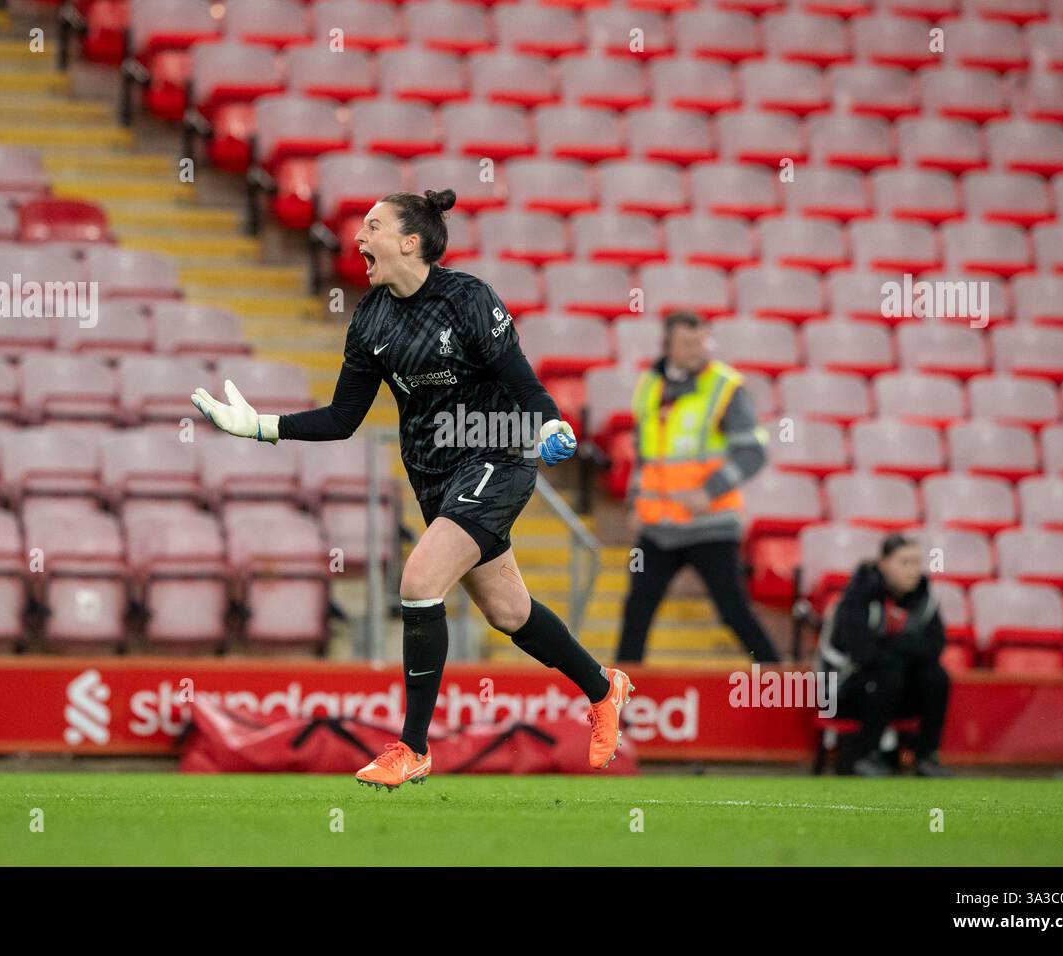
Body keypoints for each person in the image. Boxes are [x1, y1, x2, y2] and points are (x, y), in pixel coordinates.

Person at [191, 188, 632, 791]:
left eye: (372, 226)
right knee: (508, 611)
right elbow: (343, 418)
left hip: (497, 454)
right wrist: (263, 427)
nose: (358, 238)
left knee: (419, 582)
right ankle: (605, 689)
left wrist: (550, 422)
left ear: (410, 241)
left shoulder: (468, 299)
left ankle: (414, 747)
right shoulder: (370, 319)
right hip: (433, 476)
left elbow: (522, 383)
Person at [617, 311, 779, 664]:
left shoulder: (726, 387)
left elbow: (753, 453)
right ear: (667, 346)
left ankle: (777, 679)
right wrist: (633, 504)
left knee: (732, 611)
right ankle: (618, 700)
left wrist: (711, 490)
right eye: (687, 342)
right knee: (636, 611)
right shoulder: (649, 386)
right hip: (658, 527)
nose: (696, 349)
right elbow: (645, 455)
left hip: (711, 527)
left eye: (701, 341)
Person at [817, 533, 953, 778]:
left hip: (896, 687)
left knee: (935, 675)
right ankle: (866, 755)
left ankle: (927, 757)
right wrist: (904, 646)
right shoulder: (855, 600)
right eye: (904, 562)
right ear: (883, 564)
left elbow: (935, 647)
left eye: (916, 562)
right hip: (842, 691)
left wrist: (892, 644)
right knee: (886, 675)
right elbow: (862, 652)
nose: (913, 570)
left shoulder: (925, 601)